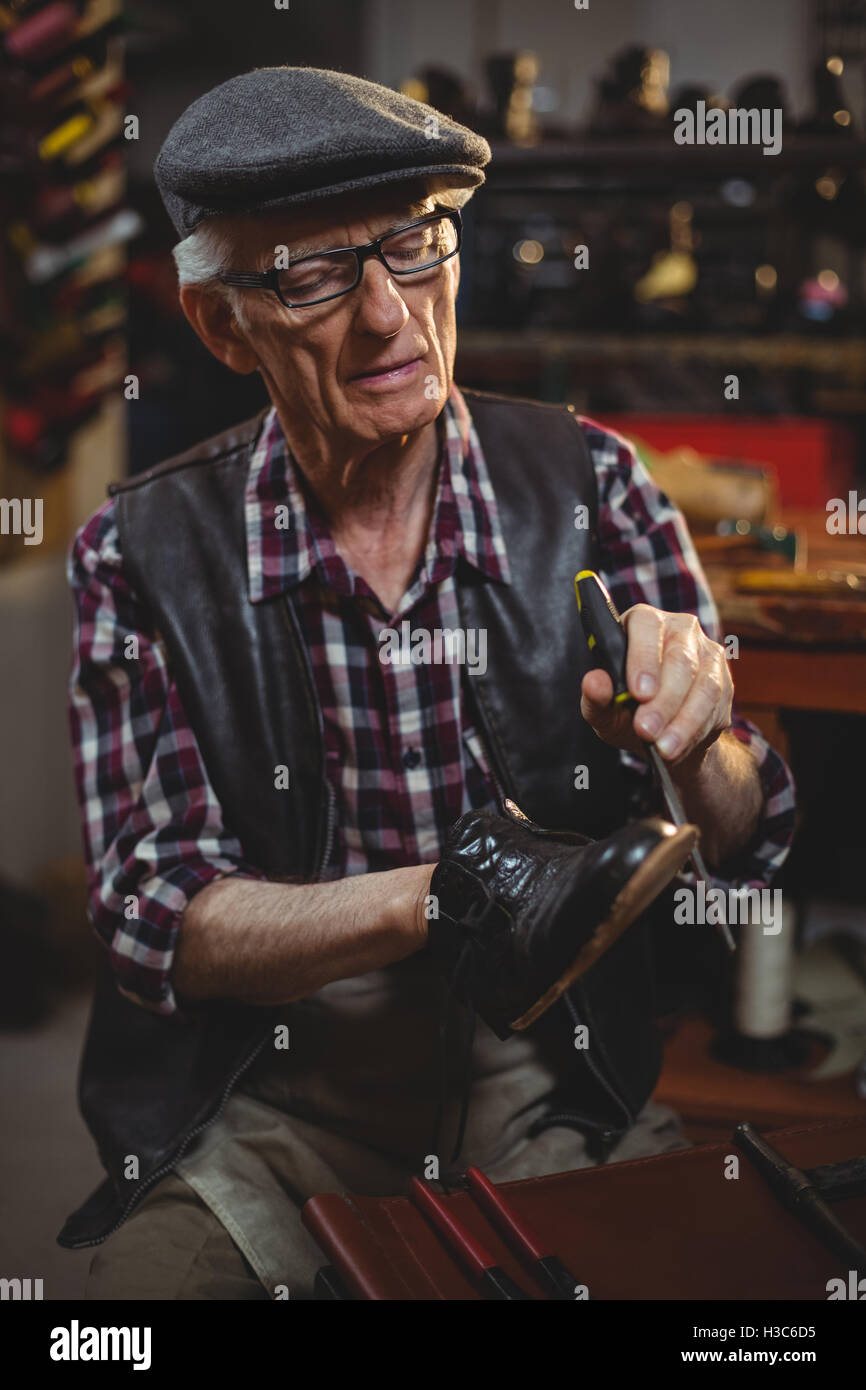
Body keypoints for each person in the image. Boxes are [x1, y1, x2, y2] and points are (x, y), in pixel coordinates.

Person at [61, 67, 795, 1299]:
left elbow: (749, 840)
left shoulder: (592, 484)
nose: (391, 319)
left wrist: (694, 744)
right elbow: (154, 916)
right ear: (222, 325)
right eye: (308, 271)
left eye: (413, 244)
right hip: (278, 1090)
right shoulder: (142, 552)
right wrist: (456, 895)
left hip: (545, 1076)